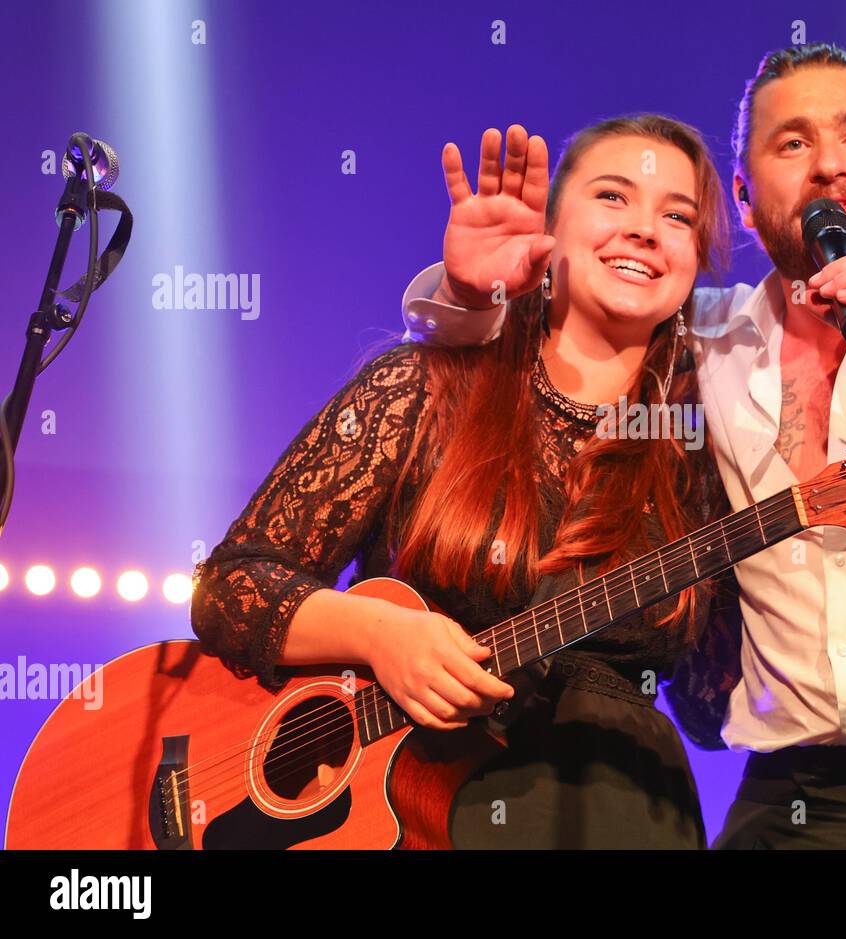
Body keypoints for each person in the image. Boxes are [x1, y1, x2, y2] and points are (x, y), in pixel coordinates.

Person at [400, 44, 846, 849]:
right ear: (746, 202)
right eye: (792, 143)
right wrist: (473, 301)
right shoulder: (703, 338)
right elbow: (554, 358)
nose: (828, 164)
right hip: (783, 804)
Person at [191, 113, 738, 849]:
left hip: (621, 815)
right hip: (405, 812)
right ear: (550, 228)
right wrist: (381, 633)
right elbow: (230, 586)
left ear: (698, 255)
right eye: (613, 197)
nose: (646, 228)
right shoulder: (424, 386)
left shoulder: (706, 447)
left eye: (678, 215)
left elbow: (711, 710)